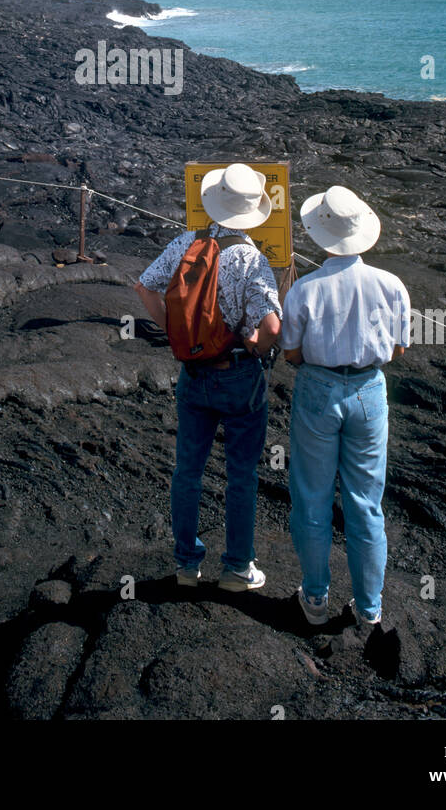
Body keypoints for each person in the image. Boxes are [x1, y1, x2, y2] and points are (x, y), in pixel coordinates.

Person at [134, 163, 281, 593]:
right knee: (241, 473)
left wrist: (177, 336)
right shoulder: (251, 258)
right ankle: (236, 568)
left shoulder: (187, 242)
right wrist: (254, 347)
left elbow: (144, 287)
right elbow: (271, 328)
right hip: (238, 374)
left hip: (193, 373)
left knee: (188, 471)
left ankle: (186, 564)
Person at [280, 185, 410, 632]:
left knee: (311, 501)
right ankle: (369, 608)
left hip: (318, 388)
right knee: (365, 504)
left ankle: (315, 596)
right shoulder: (391, 285)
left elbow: (291, 353)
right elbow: (397, 348)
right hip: (369, 391)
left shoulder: (304, 289)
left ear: (321, 233)